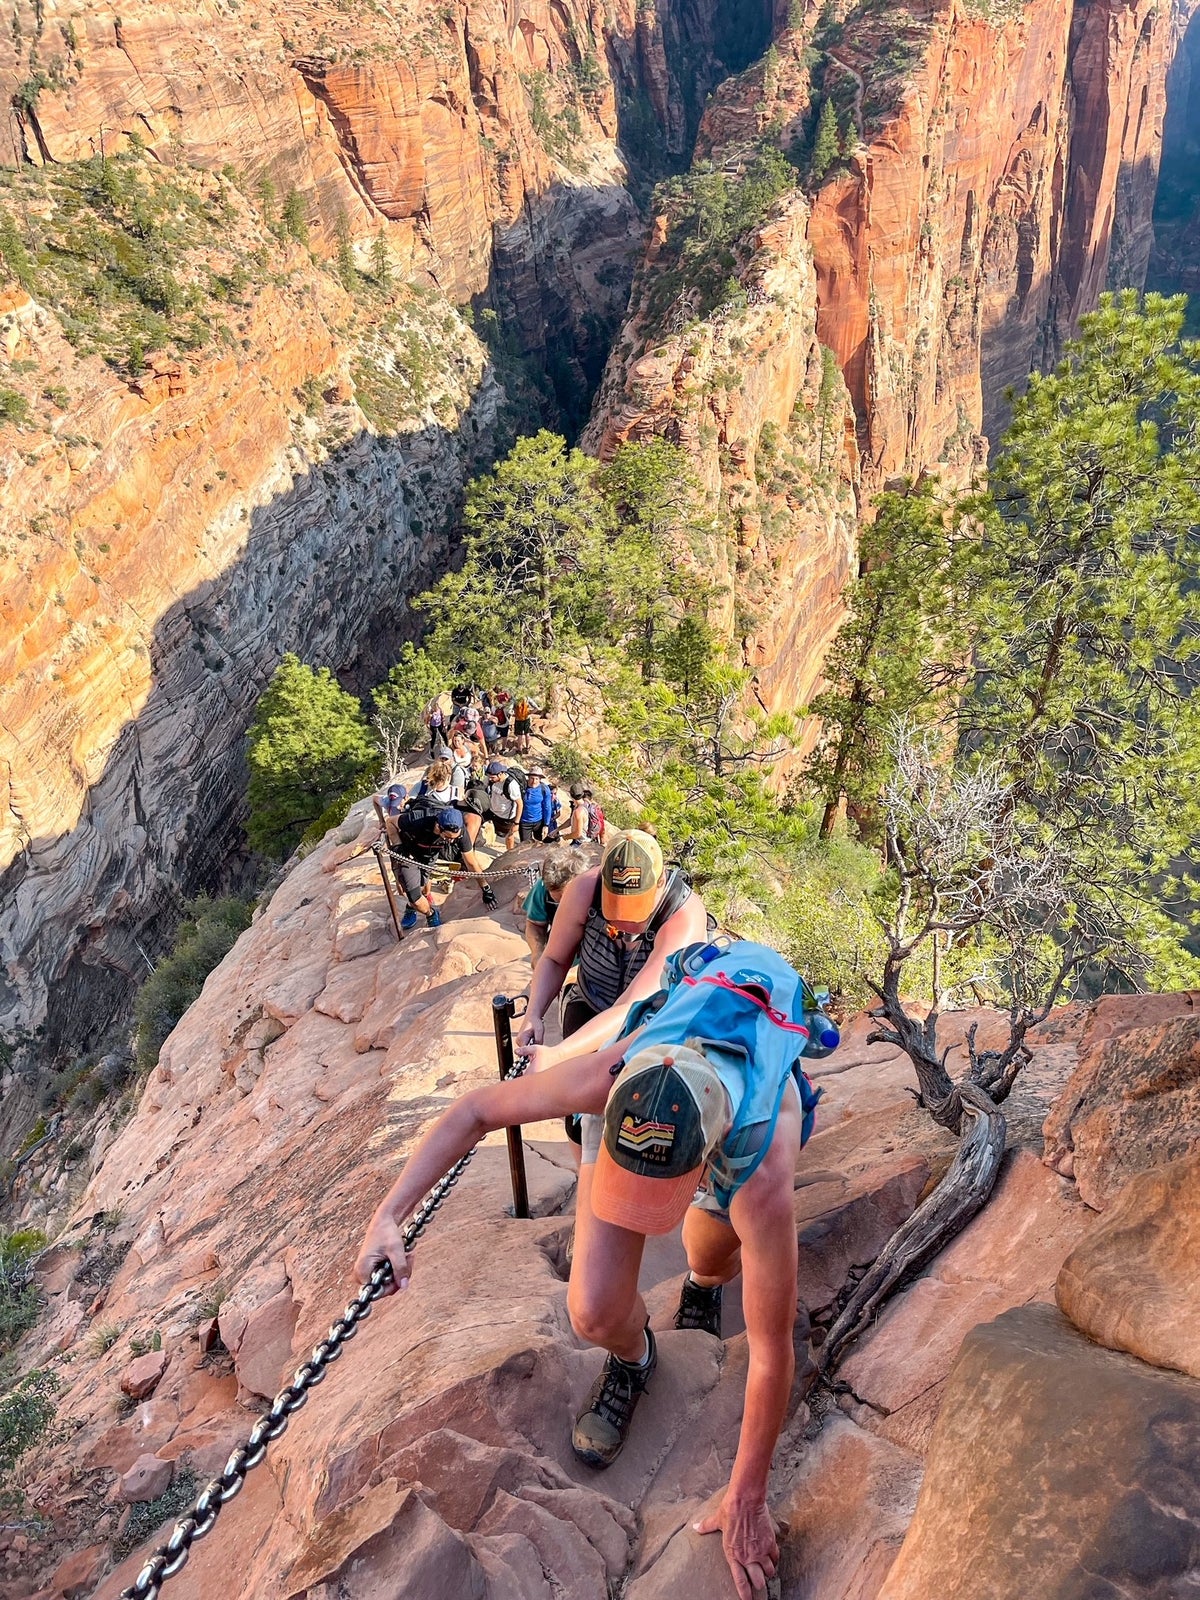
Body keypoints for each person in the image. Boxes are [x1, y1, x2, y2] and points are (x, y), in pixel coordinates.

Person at [354, 938, 834, 1600]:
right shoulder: (615, 1074)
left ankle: (699, 1282)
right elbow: (474, 1110)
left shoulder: (762, 1162)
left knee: (708, 1251)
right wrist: (388, 1216)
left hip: (739, 1115)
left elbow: (772, 1352)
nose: (641, 1209)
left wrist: (745, 1497)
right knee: (594, 1311)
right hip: (667, 1077)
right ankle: (635, 1359)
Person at [518, 828, 708, 1066]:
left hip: (650, 1026)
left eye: (635, 907)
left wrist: (559, 1055)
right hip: (589, 1002)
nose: (623, 922)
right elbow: (555, 958)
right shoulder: (584, 890)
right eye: (615, 906)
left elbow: (632, 1006)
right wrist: (534, 1013)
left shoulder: (681, 917)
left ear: (660, 882)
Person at [393, 802, 496, 930]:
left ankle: (411, 906)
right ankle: (430, 913)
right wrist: (397, 847)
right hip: (408, 855)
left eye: (454, 838)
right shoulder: (418, 818)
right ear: (438, 826)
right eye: (448, 837)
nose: (451, 841)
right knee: (415, 897)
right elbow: (390, 823)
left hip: (429, 855)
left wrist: (486, 889)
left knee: (422, 886)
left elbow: (471, 862)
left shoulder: (460, 832)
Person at [523, 846, 588, 966]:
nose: (563, 906)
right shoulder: (542, 888)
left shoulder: (601, 893)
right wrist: (537, 953)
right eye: (557, 900)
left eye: (567, 898)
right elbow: (535, 924)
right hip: (559, 960)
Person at [482, 758, 523, 851]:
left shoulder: (511, 785)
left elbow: (520, 804)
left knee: (509, 836)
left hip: (506, 816)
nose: (490, 779)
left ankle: (509, 854)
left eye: (492, 777)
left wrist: (516, 823)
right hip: (491, 810)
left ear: (500, 774)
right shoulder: (490, 780)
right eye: (489, 777)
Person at [519, 765, 557, 843]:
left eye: (537, 779)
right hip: (524, 822)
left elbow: (547, 807)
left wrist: (546, 825)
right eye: (532, 778)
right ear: (528, 778)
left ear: (540, 779)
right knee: (524, 846)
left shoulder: (544, 789)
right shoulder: (522, 787)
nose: (534, 781)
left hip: (539, 821)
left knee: (540, 844)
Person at [567, 782, 590, 847]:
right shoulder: (586, 804)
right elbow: (571, 821)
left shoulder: (578, 811)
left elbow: (578, 834)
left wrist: (565, 837)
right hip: (588, 840)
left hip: (580, 842)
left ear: (571, 795)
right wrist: (557, 829)